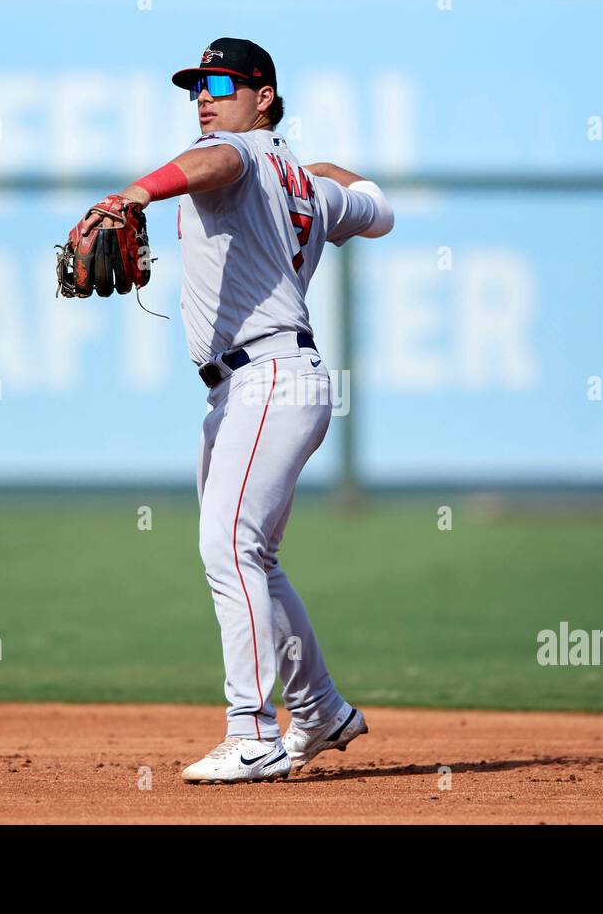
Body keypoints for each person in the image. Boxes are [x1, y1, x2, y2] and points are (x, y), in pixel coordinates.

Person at [73, 38, 394, 783]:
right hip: (257, 385)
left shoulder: (235, 156)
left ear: (265, 98)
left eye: (221, 83)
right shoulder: (302, 185)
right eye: (195, 88)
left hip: (269, 377)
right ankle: (320, 708)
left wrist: (134, 195)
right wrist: (306, 178)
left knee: (230, 548)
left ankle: (249, 731)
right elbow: (377, 209)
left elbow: (215, 162)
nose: (204, 99)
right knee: (254, 556)